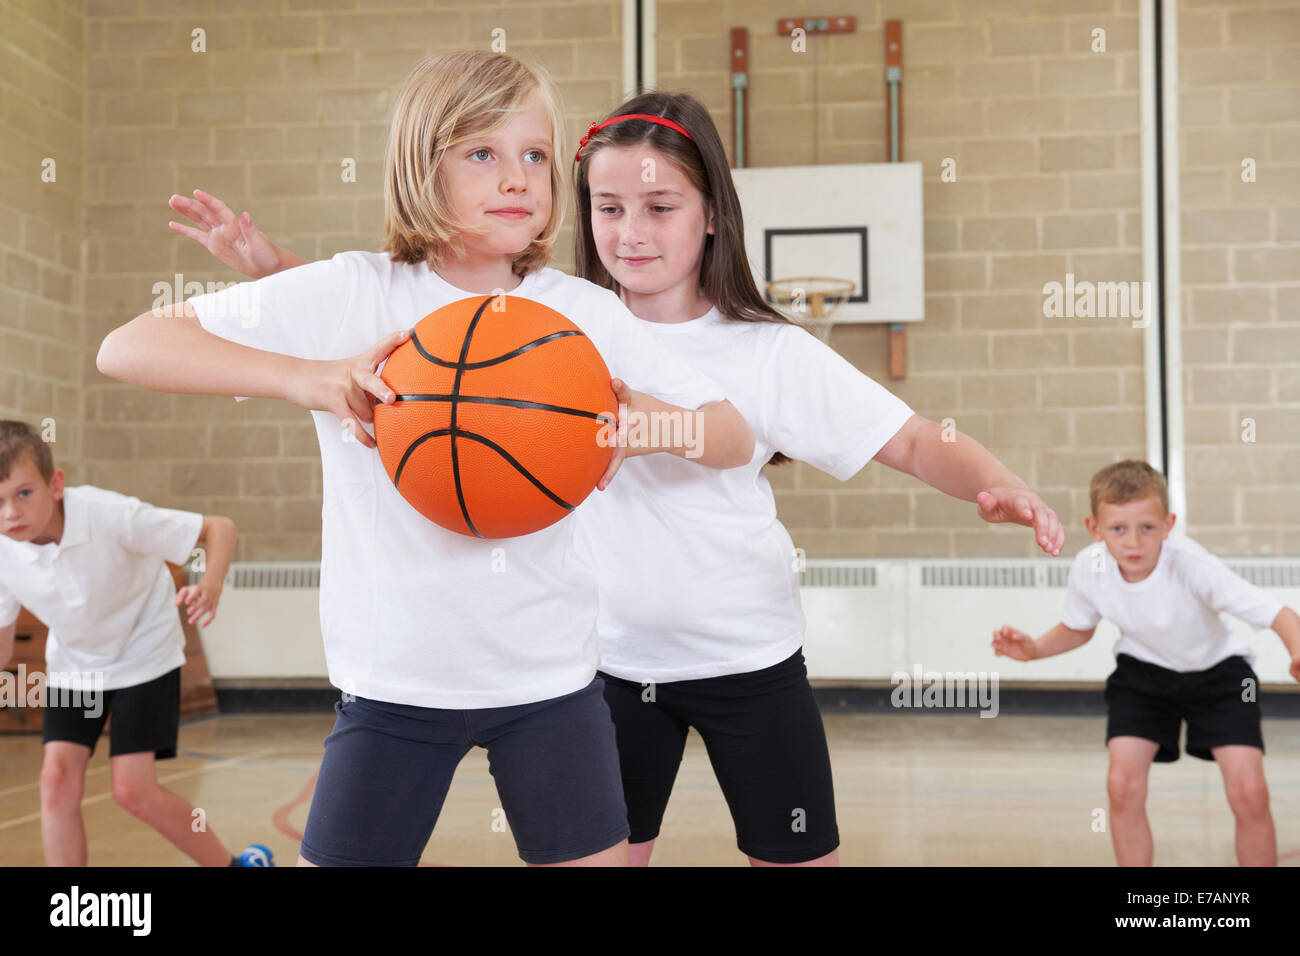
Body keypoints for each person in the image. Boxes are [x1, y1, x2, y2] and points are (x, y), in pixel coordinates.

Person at [170, 89, 1066, 867]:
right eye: (607, 208)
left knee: (799, 852)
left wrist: (997, 481)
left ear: (712, 213)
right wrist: (283, 280)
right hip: (606, 663)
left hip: (744, 655)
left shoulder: (763, 352)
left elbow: (907, 438)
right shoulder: (549, 319)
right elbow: (429, 355)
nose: (630, 232)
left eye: (659, 208)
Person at [98, 52, 754, 868]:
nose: (516, 177)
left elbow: (732, 435)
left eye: (536, 155)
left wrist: (639, 425)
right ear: (420, 166)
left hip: (550, 679)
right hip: (394, 683)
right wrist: (306, 378)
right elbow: (128, 347)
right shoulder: (353, 293)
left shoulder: (581, 312)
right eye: (482, 153)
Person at [994, 459, 1300, 866]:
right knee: (1121, 786)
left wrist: (1297, 651)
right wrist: (1033, 649)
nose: (1133, 542)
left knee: (1248, 792)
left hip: (1220, 676)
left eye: (1147, 528)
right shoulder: (1091, 567)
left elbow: (1278, 613)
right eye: (1118, 529)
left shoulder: (1191, 564)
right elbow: (1079, 627)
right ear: (1094, 528)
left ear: (1168, 524)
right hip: (1142, 676)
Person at [0, 420, 271, 866]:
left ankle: (232, 865)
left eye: (24, 493)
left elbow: (218, 528)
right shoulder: (7, 550)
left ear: (56, 484)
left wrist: (212, 586)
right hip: (77, 666)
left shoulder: (110, 515)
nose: (11, 513)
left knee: (133, 791)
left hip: (145, 655)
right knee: (56, 782)